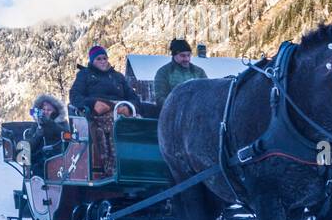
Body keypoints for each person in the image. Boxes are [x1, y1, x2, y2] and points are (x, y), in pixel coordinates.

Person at [69, 45, 142, 177]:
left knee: (142, 124)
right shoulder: (84, 75)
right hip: (99, 112)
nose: (103, 61)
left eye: (104, 58)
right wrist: (92, 104)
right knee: (117, 125)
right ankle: (114, 166)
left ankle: (144, 162)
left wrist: (130, 108)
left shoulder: (118, 77)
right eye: (98, 59)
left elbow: (134, 97)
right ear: (92, 61)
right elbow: (74, 96)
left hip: (121, 109)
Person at [153, 38, 207, 104]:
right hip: (173, 112)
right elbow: (160, 98)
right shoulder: (164, 72)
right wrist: (177, 106)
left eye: (188, 55)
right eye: (182, 56)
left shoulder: (199, 72)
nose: (187, 59)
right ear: (174, 55)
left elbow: (207, 93)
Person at [27, 93, 70, 170]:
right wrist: (37, 135)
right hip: (39, 161)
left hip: (58, 159)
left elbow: (67, 136)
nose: (45, 112)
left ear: (55, 111)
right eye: (43, 109)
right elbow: (28, 146)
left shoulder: (62, 122)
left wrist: (50, 123)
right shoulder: (36, 124)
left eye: (49, 110)